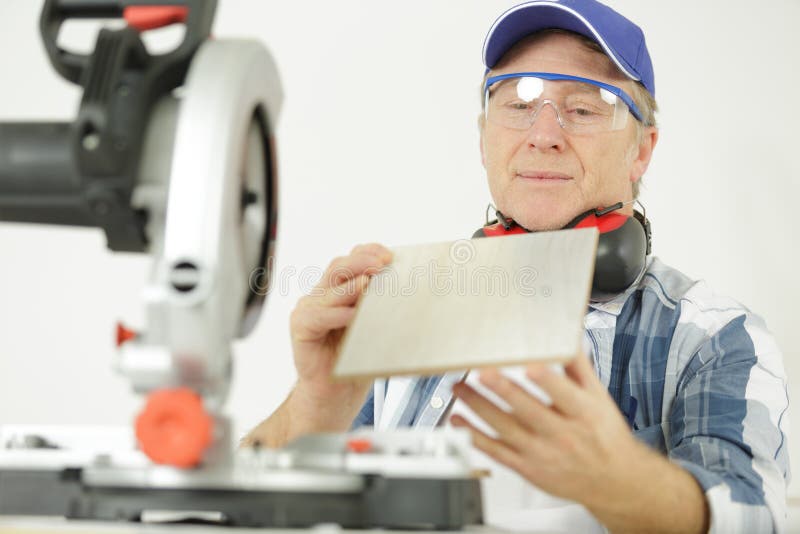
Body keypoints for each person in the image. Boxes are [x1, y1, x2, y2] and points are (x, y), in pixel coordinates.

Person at [243, 1, 790, 532]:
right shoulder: (399, 310)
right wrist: (314, 406)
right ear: (484, 138)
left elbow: (757, 518)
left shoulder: (713, 336)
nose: (544, 133)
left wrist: (620, 480)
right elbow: (237, 515)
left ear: (641, 151)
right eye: (519, 103)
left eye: (583, 107)